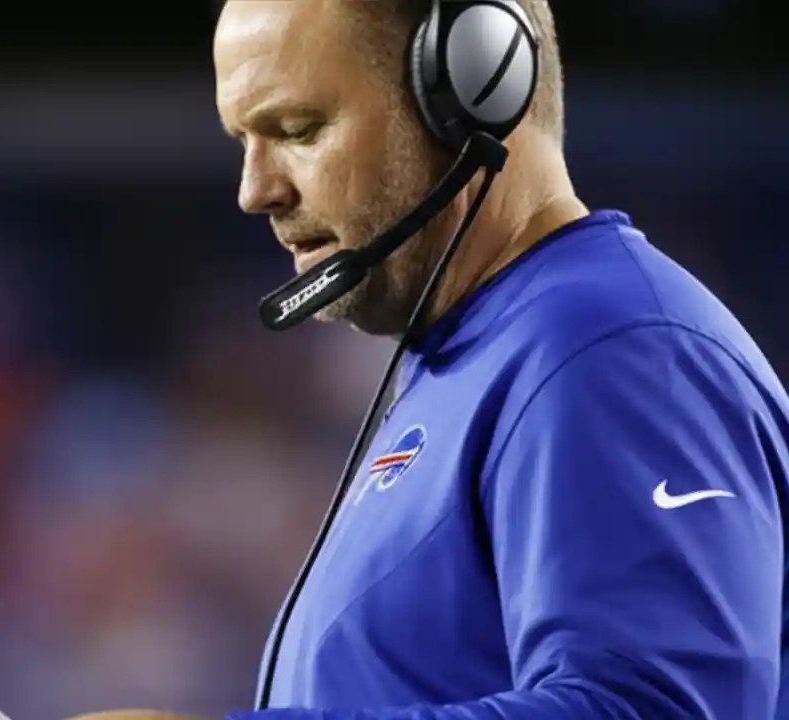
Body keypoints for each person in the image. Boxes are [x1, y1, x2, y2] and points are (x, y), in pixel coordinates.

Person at [70, 0, 789, 718]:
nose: (255, 191)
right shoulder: (483, 356)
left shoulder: (612, 351)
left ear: (475, 86)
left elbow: (658, 711)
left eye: (296, 129)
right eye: (244, 142)